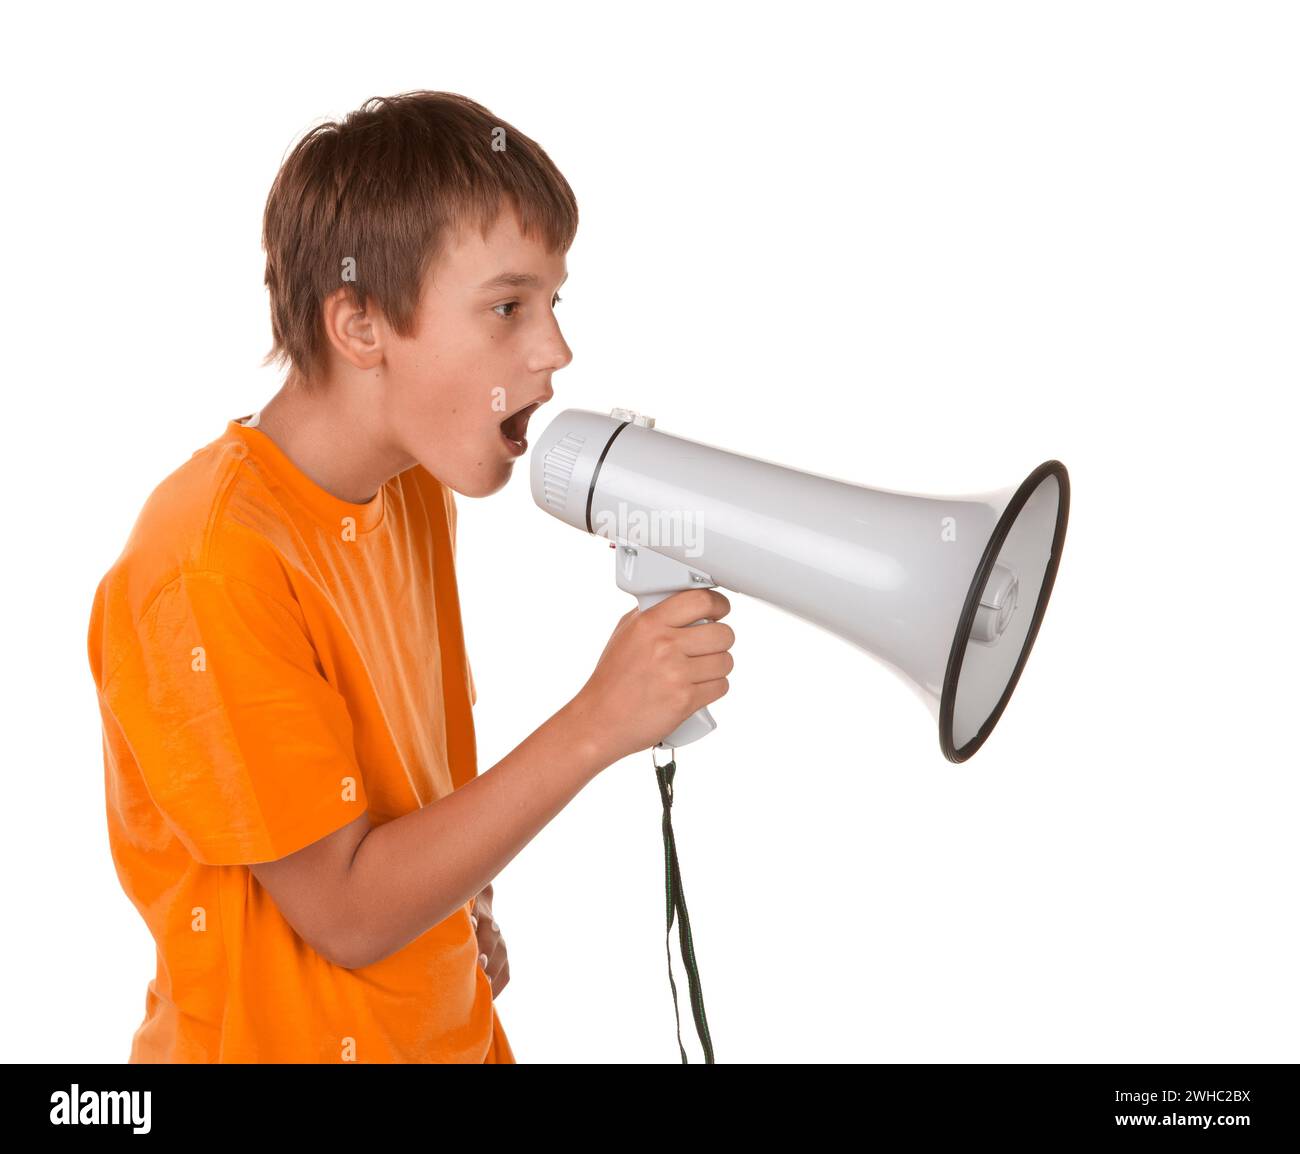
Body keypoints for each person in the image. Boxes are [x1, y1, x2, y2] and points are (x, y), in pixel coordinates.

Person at [85, 90, 735, 1063]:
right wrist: (602, 717)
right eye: (508, 306)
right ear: (359, 324)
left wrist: (459, 901)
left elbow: (395, 789)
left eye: (555, 301)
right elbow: (344, 911)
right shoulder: (211, 564)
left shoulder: (409, 491)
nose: (555, 350)